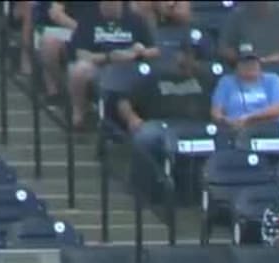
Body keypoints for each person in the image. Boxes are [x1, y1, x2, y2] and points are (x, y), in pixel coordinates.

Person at [117, 39, 211, 202]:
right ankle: (143, 190)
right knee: (145, 136)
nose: (189, 60)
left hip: (197, 126)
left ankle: (200, 193)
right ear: (178, 56)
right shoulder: (157, 76)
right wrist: (132, 118)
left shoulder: (206, 79)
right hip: (161, 125)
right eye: (186, 55)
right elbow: (124, 101)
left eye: (194, 57)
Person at [66, 0, 159, 129]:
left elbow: (155, 50)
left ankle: (136, 120)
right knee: (79, 70)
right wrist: (109, 57)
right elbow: (81, 53)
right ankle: (79, 113)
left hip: (131, 68)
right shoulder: (89, 19)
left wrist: (139, 53)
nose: (109, 5)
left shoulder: (135, 20)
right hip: (101, 67)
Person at [209, 44, 279, 135]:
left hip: (269, 127)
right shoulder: (226, 82)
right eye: (245, 62)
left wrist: (249, 118)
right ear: (237, 65)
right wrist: (226, 121)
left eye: (253, 62)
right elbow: (216, 113)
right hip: (236, 129)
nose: (250, 66)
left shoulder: (273, 79)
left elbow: (277, 109)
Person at [217, 0, 279, 67]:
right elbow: (224, 48)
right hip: (243, 70)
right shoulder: (236, 16)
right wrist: (241, 60)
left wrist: (275, 59)